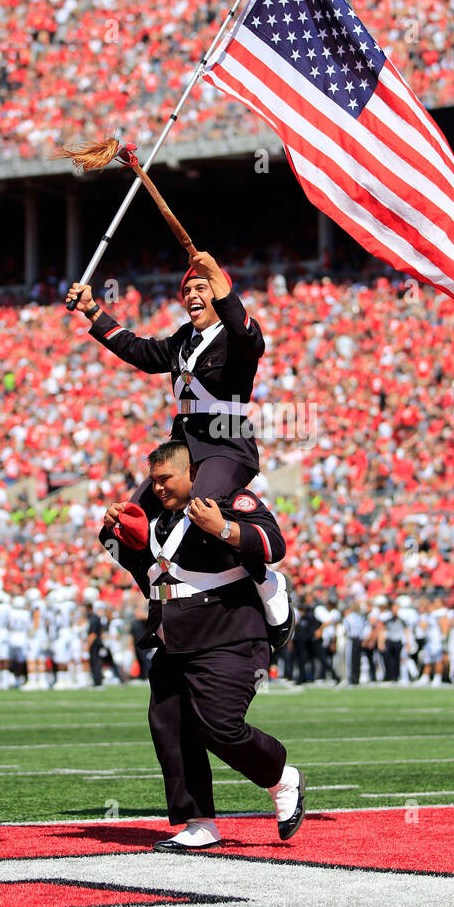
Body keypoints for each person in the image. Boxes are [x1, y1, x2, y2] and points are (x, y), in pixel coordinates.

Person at [99, 440, 303, 851]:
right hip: (174, 640)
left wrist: (224, 528)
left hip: (230, 634)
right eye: (152, 481)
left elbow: (274, 544)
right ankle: (199, 822)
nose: (156, 489)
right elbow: (138, 564)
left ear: (192, 473)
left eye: (165, 479)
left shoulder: (227, 501)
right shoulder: (154, 519)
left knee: (219, 724)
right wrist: (112, 529)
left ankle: (281, 777)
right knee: (170, 728)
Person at [67, 249, 264, 509]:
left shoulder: (238, 338)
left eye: (201, 288)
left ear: (218, 293)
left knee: (202, 508)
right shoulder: (182, 339)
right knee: (131, 519)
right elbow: (138, 351)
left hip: (226, 445)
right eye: (187, 291)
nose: (192, 295)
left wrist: (214, 271)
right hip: (183, 444)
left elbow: (241, 327)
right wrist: (92, 310)